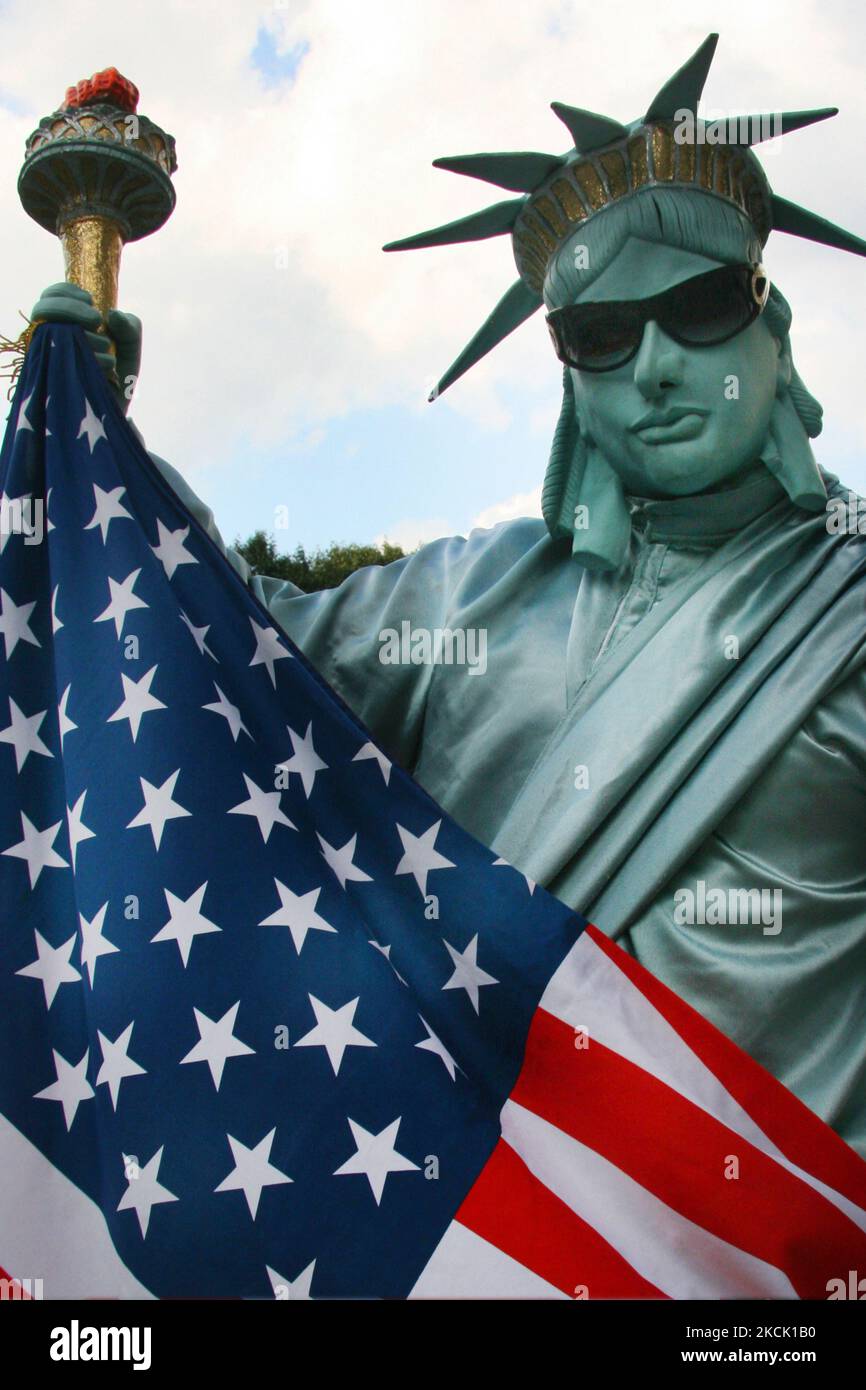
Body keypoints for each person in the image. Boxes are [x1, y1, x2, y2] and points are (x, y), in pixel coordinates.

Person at [29, 33, 866, 1158]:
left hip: (777, 1269)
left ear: (772, 328)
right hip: (491, 1229)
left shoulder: (851, 609)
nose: (657, 364)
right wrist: (99, 458)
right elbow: (218, 651)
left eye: (703, 305)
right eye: (602, 334)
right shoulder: (465, 595)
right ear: (568, 374)